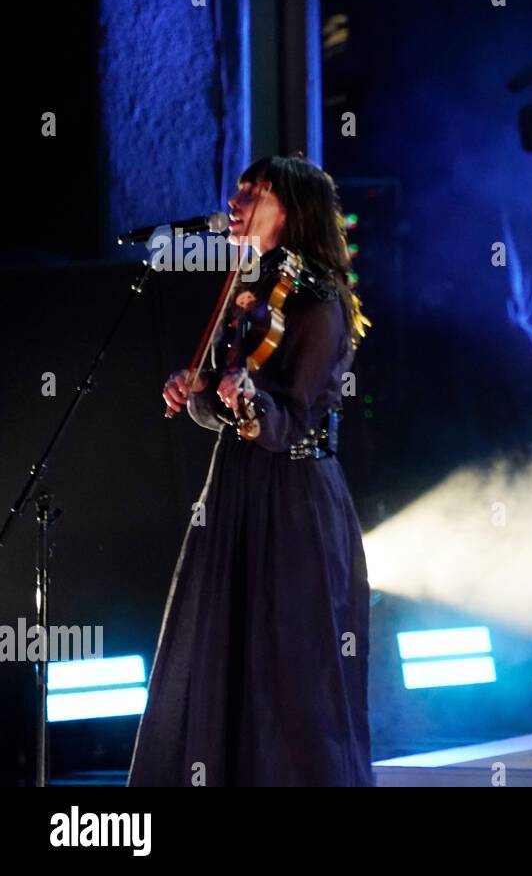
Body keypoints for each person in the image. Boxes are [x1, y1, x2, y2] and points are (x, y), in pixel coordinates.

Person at [129, 155, 373, 787]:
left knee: (290, 673)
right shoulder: (248, 288)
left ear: (292, 210)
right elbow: (223, 406)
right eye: (236, 192)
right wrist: (199, 390)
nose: (235, 203)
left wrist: (249, 404)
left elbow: (288, 422)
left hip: (294, 499)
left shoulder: (318, 302)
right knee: (221, 652)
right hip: (235, 488)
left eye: (252, 193)